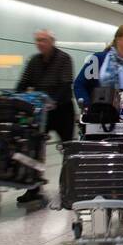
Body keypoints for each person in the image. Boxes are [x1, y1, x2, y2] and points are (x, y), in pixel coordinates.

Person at [14, 29, 75, 204]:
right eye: (38, 40)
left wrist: (53, 101)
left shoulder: (64, 59)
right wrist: (15, 97)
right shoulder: (34, 61)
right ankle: (33, 188)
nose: (40, 43)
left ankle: (67, 187)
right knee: (34, 147)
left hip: (62, 110)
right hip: (41, 112)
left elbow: (66, 85)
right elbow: (23, 83)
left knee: (67, 148)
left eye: (44, 40)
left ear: (52, 41)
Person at [73, 24, 123, 109]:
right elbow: (80, 84)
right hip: (101, 113)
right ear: (119, 39)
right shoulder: (97, 59)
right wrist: (86, 105)